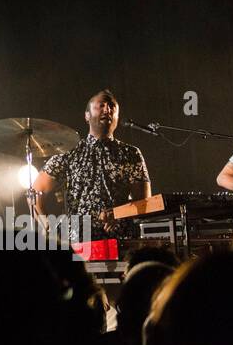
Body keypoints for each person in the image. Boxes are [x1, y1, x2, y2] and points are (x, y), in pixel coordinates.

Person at [32, 89, 150, 240]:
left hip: (121, 239)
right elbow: (34, 193)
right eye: (101, 105)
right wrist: (46, 223)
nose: (107, 109)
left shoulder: (131, 153)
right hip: (79, 240)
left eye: (112, 107)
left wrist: (119, 214)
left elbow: (144, 203)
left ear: (117, 117)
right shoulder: (69, 154)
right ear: (87, 115)